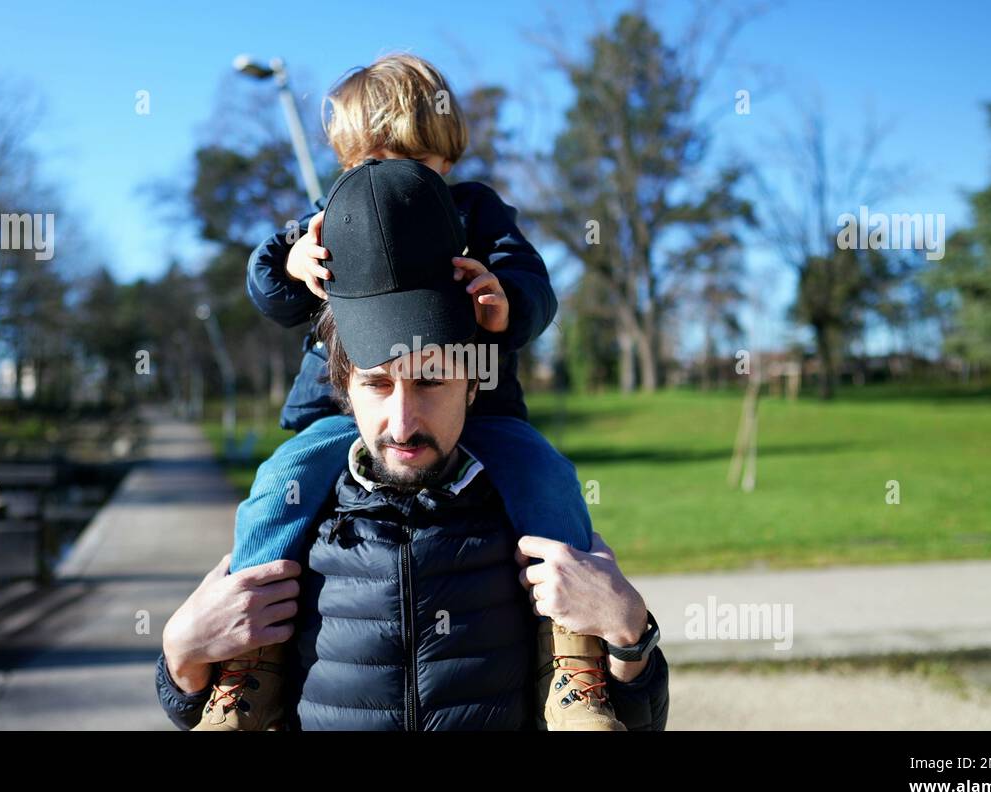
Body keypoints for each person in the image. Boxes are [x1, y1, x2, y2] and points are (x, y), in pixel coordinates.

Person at [157, 158, 668, 730]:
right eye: (377, 383)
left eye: (430, 381)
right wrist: (180, 660)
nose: (403, 423)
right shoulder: (300, 513)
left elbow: (633, 723)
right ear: (342, 384)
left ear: (474, 380)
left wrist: (628, 636)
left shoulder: (524, 519)